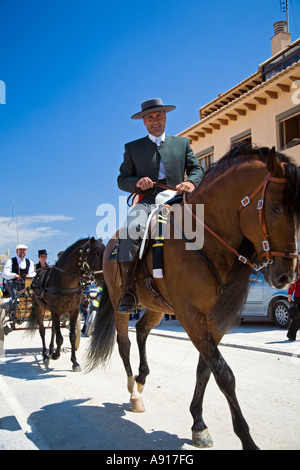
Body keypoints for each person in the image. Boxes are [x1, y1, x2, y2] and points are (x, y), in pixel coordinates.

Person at [117, 98, 204, 314]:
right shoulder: (132, 148)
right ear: (144, 122)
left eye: (158, 116)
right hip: (147, 201)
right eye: (150, 118)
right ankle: (128, 291)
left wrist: (190, 182)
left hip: (178, 198)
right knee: (129, 232)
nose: (155, 121)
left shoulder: (182, 143)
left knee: (206, 228)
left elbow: (197, 169)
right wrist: (137, 182)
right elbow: (121, 179)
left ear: (165, 117)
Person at [287, 263, 300, 341]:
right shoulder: (297, 268)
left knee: (297, 317)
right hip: (299, 296)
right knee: (297, 316)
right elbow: (293, 282)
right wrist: (290, 294)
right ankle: (291, 335)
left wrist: (290, 294)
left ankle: (291, 335)